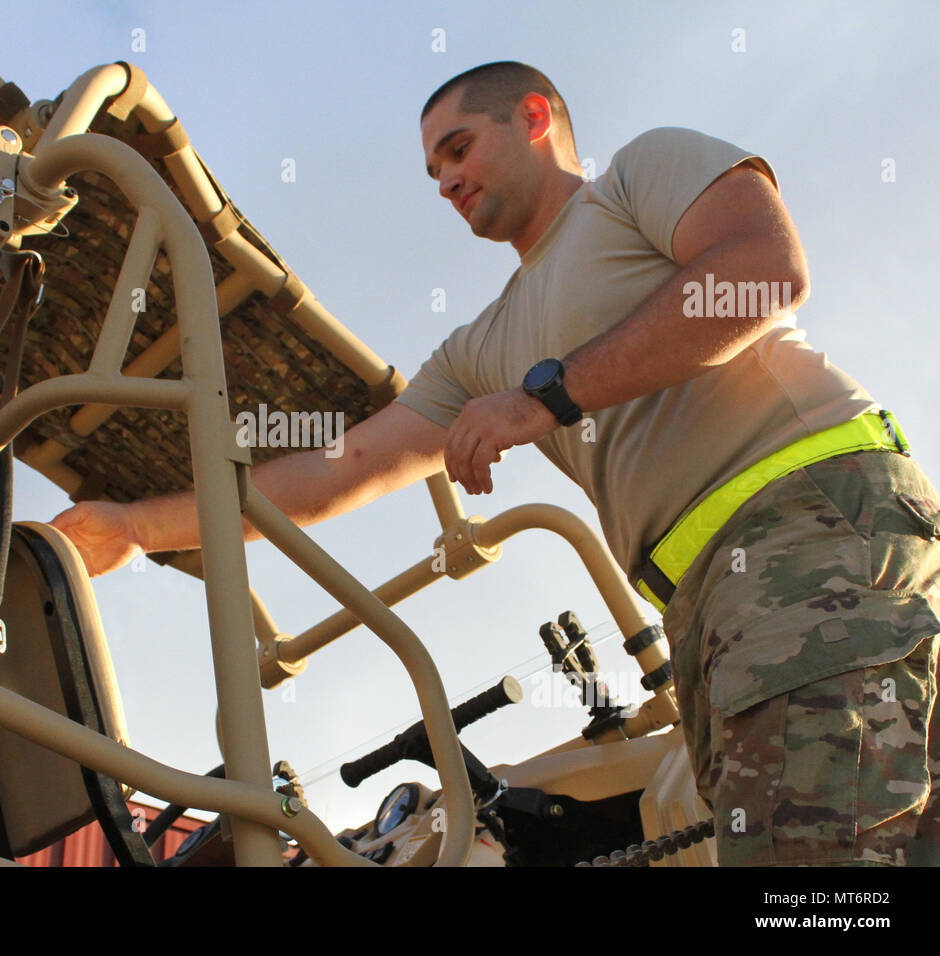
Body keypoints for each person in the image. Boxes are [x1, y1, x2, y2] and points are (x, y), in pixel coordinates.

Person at [51, 62, 940, 866]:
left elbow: (762, 271)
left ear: (535, 115)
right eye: (433, 170)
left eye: (459, 147)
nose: (444, 180)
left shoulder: (637, 177)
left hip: (812, 525)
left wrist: (545, 397)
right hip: (708, 601)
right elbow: (344, 465)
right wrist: (135, 528)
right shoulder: (479, 349)